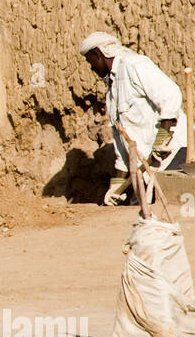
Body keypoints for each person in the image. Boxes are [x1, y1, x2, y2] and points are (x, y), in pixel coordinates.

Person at [79, 31, 187, 206]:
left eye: (89, 60)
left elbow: (171, 95)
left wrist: (163, 139)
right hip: (146, 169)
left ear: (98, 54)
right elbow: (122, 144)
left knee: (165, 213)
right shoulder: (111, 89)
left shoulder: (134, 65)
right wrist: (117, 185)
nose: (90, 67)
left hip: (174, 157)